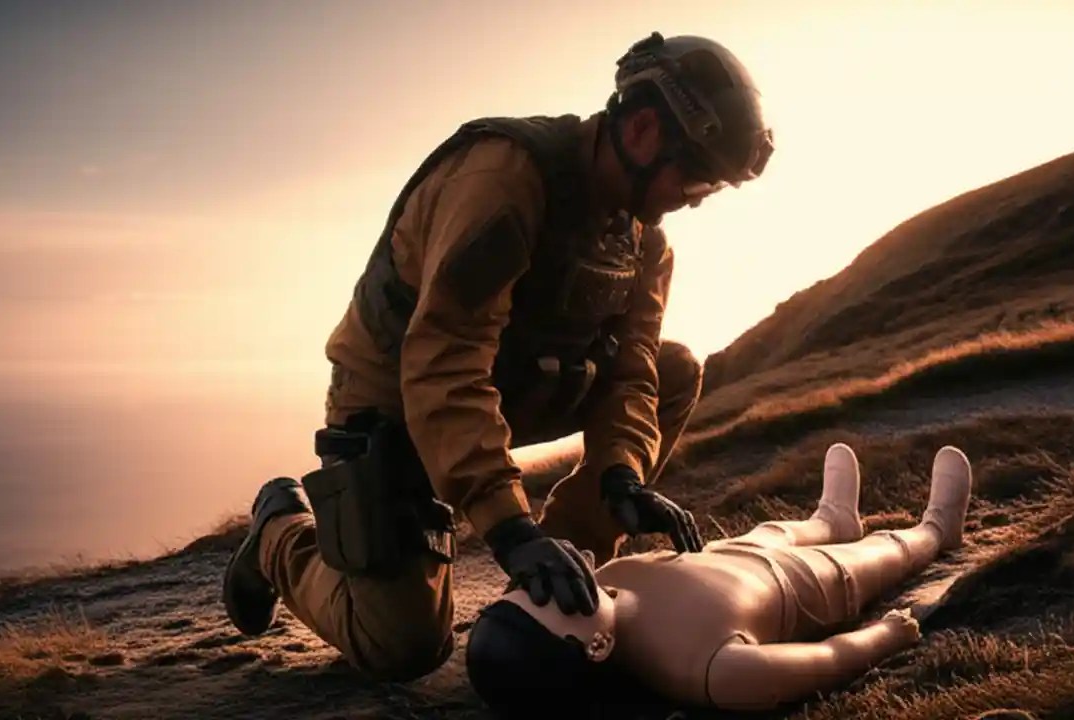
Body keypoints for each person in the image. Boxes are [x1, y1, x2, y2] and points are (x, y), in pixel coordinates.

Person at [220, 31, 776, 682]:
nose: (698, 197)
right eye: (698, 175)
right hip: (394, 401)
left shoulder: (644, 243)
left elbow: (634, 371)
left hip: (505, 386)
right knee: (402, 645)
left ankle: (572, 564)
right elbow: (444, 361)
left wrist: (621, 477)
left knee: (672, 372)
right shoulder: (504, 182)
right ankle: (281, 531)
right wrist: (509, 529)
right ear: (647, 129)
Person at [465, 444, 974, 715]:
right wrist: (885, 635)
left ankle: (831, 518)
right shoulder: (706, 669)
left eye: (523, 584)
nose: (551, 576)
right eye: (553, 597)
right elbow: (825, 660)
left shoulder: (607, 583)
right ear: (596, 647)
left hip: (742, 551)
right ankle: (935, 529)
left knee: (776, 530)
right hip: (810, 585)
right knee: (882, 552)